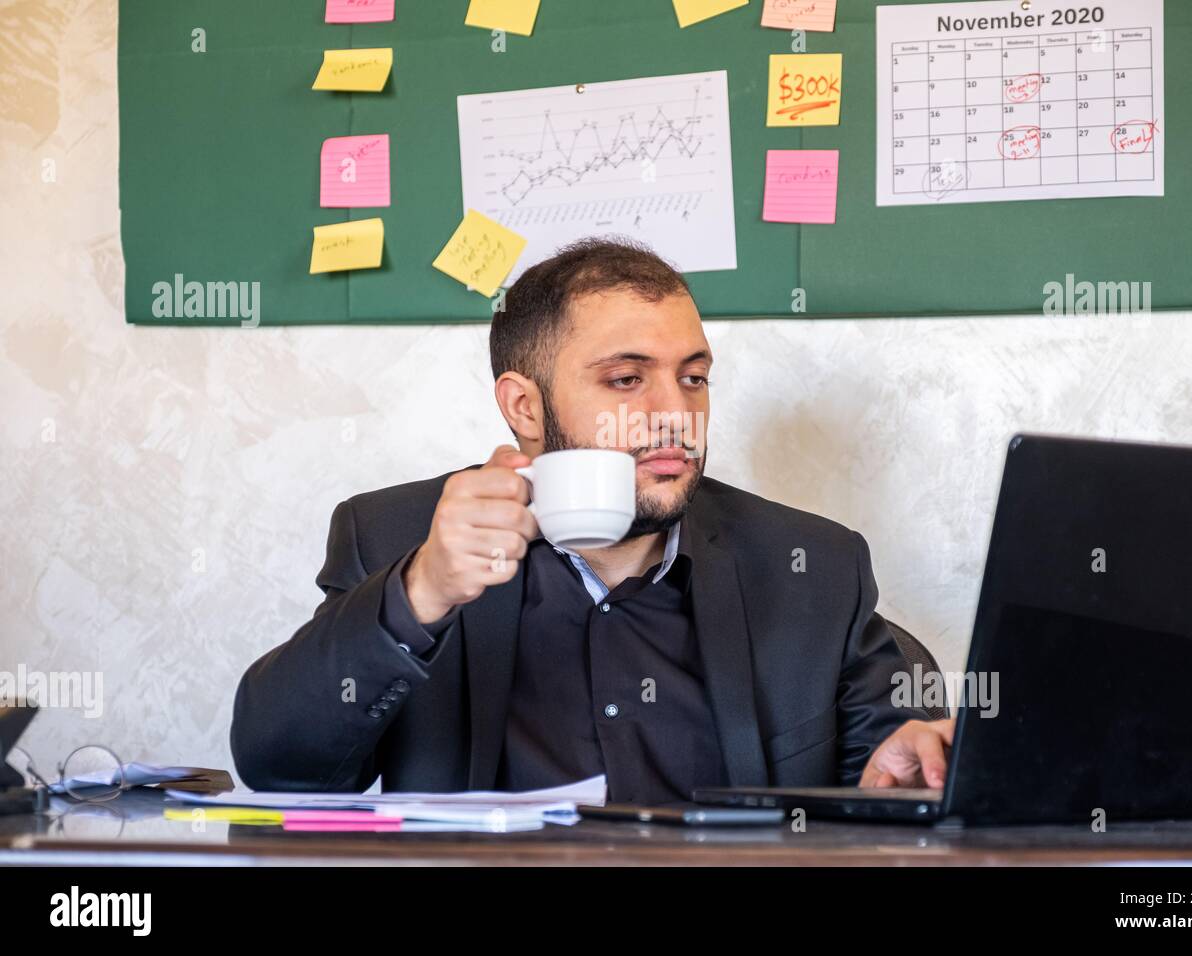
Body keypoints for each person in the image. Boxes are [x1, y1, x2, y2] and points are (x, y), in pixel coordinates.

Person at [231, 238, 954, 802]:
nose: (677, 415)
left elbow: (885, 783)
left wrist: (901, 782)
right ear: (524, 408)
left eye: (693, 378)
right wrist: (420, 591)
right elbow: (282, 768)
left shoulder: (809, 564)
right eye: (626, 379)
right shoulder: (398, 538)